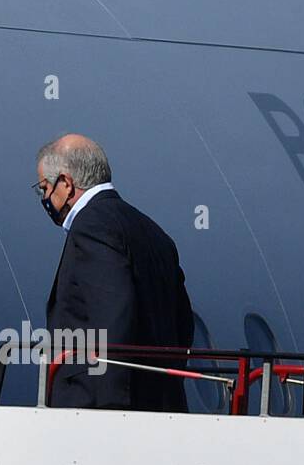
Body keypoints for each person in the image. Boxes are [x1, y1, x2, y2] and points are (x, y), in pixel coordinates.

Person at [35, 133, 194, 410]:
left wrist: (110, 410)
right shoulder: (155, 234)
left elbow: (113, 317)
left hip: (99, 407)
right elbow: (183, 324)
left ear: (66, 184)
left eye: (44, 188)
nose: (45, 197)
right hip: (163, 403)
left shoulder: (91, 226)